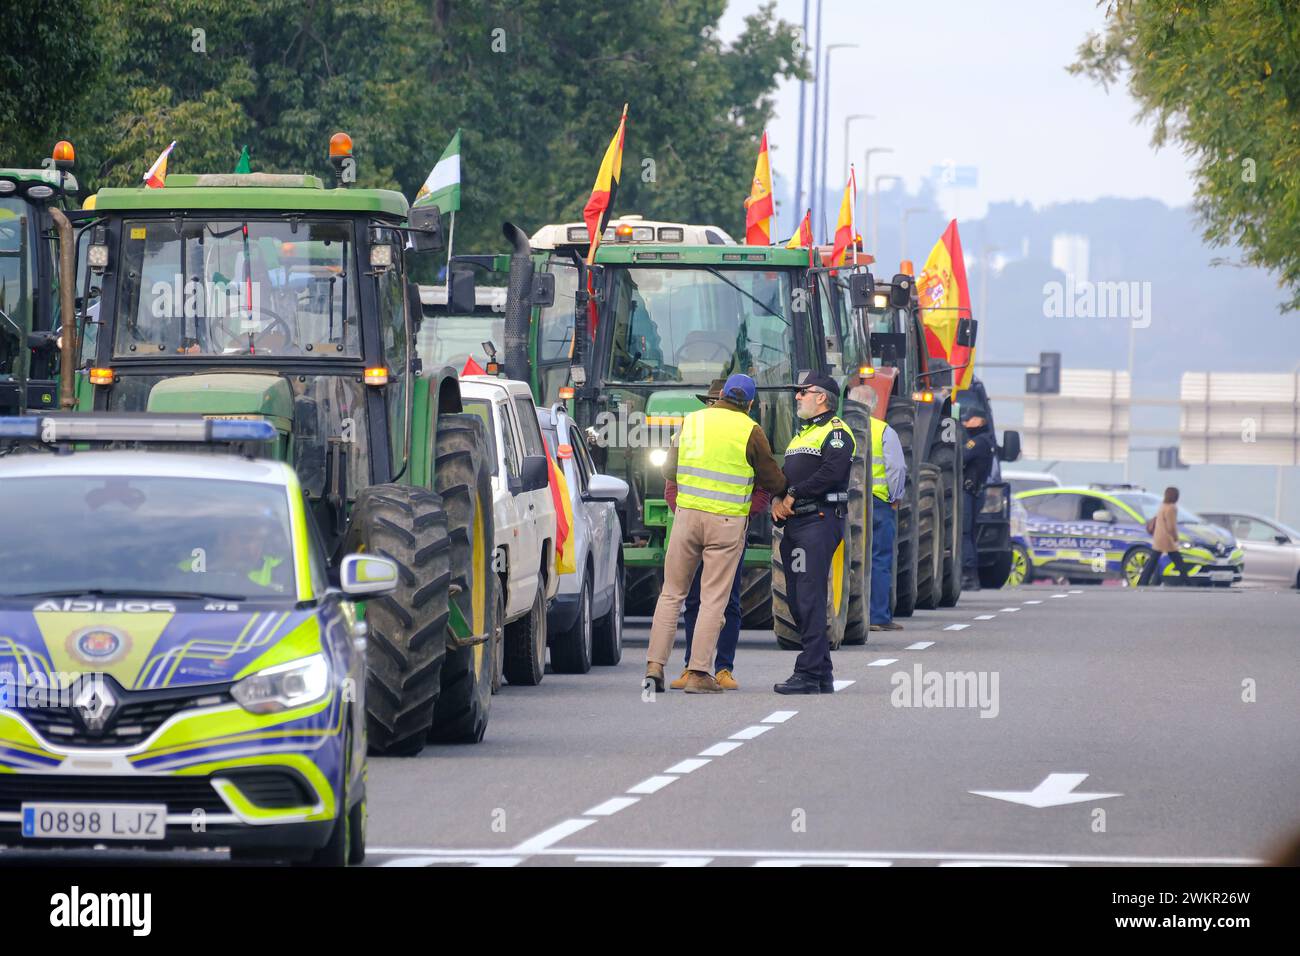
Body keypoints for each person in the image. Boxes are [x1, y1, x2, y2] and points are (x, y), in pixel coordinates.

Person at [645, 373, 787, 694]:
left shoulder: (691, 421)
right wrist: (786, 489)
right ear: (749, 404)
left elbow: (670, 471)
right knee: (713, 599)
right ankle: (698, 673)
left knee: (671, 594)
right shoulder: (750, 430)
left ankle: (655, 666)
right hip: (725, 524)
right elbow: (771, 479)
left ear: (719, 394)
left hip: (687, 517)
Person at [772, 373, 855, 694]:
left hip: (818, 520)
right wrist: (779, 497)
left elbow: (832, 472)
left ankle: (807, 672)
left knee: (808, 596)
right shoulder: (803, 435)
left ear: (821, 397)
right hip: (797, 524)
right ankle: (821, 672)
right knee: (797, 598)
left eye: (802, 392)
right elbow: (787, 474)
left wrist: (793, 494)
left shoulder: (836, 432)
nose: (797, 397)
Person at [866, 389, 908, 632]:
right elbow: (897, 468)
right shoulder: (883, 430)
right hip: (879, 503)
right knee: (879, 560)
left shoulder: (837, 429)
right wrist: (895, 496)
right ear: (873, 405)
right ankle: (878, 616)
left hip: (843, 504)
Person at [960, 409, 998, 591]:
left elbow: (962, 456)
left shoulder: (978, 442)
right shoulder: (988, 440)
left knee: (965, 534)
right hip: (977, 491)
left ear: (980, 421)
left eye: (970, 419)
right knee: (970, 534)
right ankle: (971, 576)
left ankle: (968, 575)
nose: (966, 422)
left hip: (969, 491)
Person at [1138, 486, 1189, 586]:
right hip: (1167, 539)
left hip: (1158, 538)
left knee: (1153, 561)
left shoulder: (1162, 506)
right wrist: (1175, 537)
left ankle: (1142, 581)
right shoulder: (1172, 508)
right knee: (1178, 561)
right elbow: (1171, 526)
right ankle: (1188, 582)